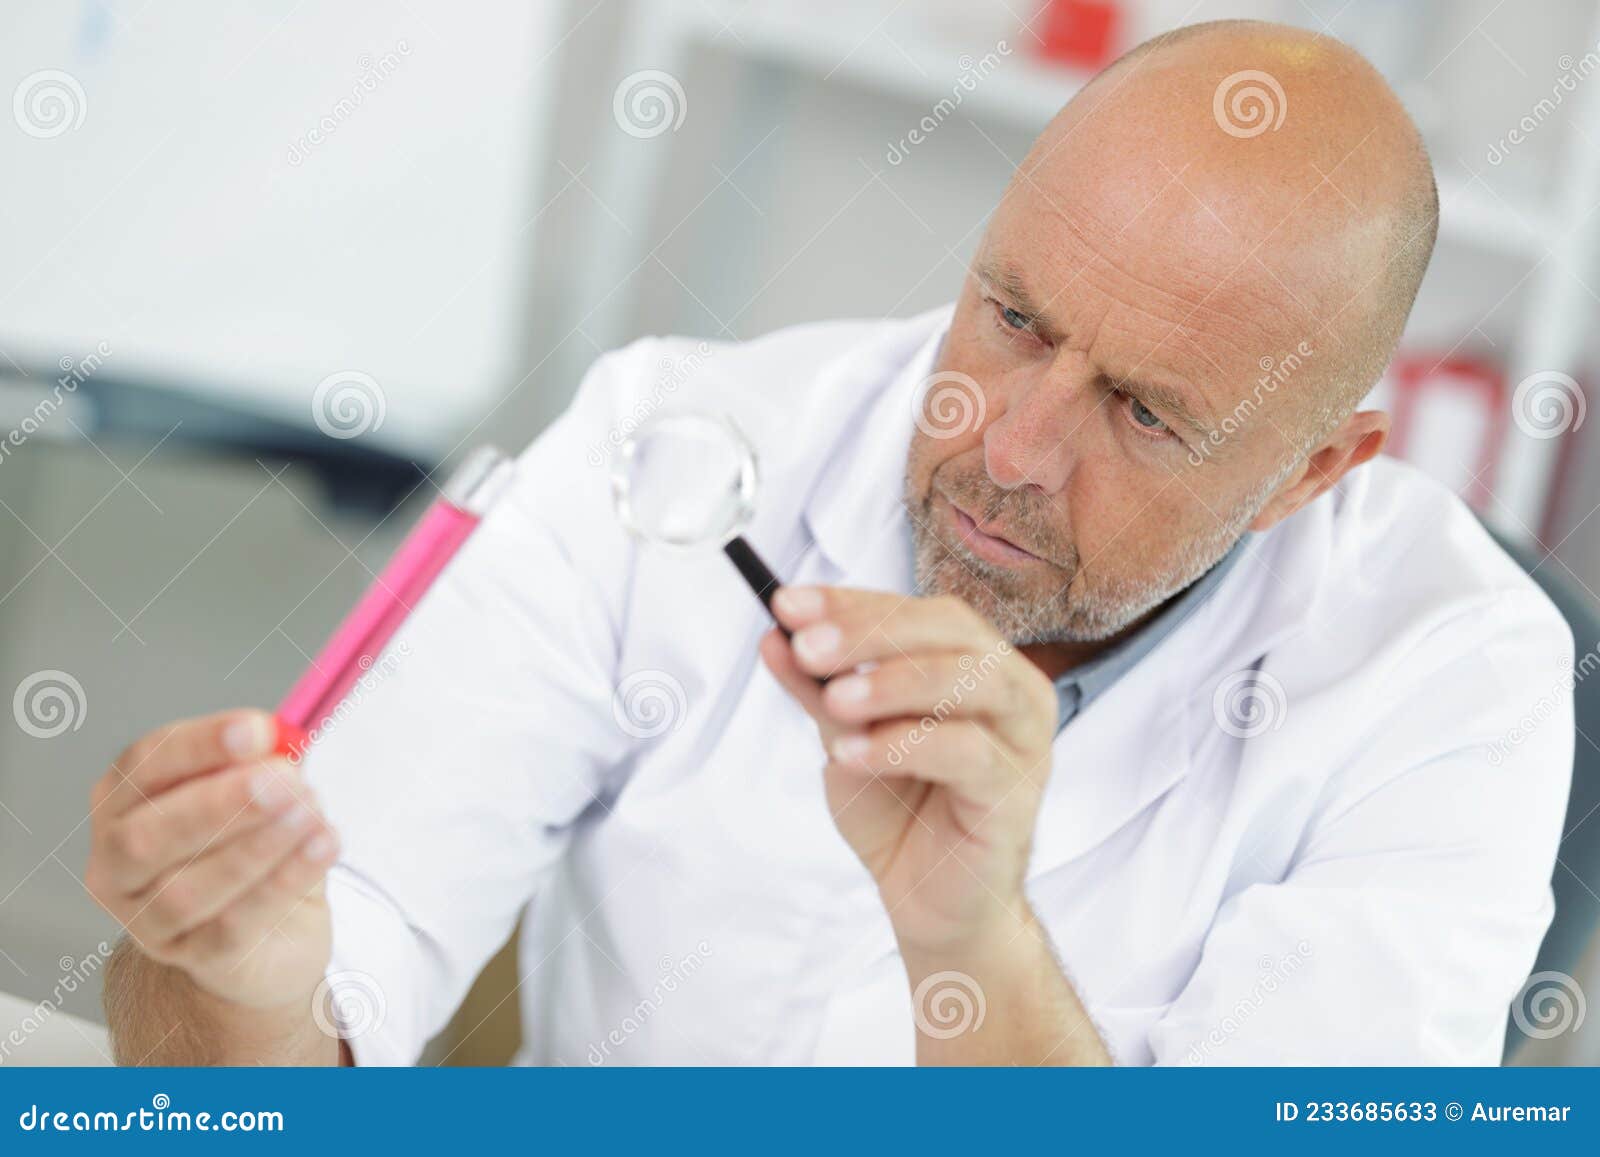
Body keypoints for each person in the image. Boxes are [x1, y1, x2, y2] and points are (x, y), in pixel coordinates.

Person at [88, 19, 1573, 1066]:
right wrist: (233, 984)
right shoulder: (669, 447)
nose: (1010, 445)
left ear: (1316, 466)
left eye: (1142, 412)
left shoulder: (1461, 679)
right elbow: (296, 1013)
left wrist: (974, 945)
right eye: (1015, 318)